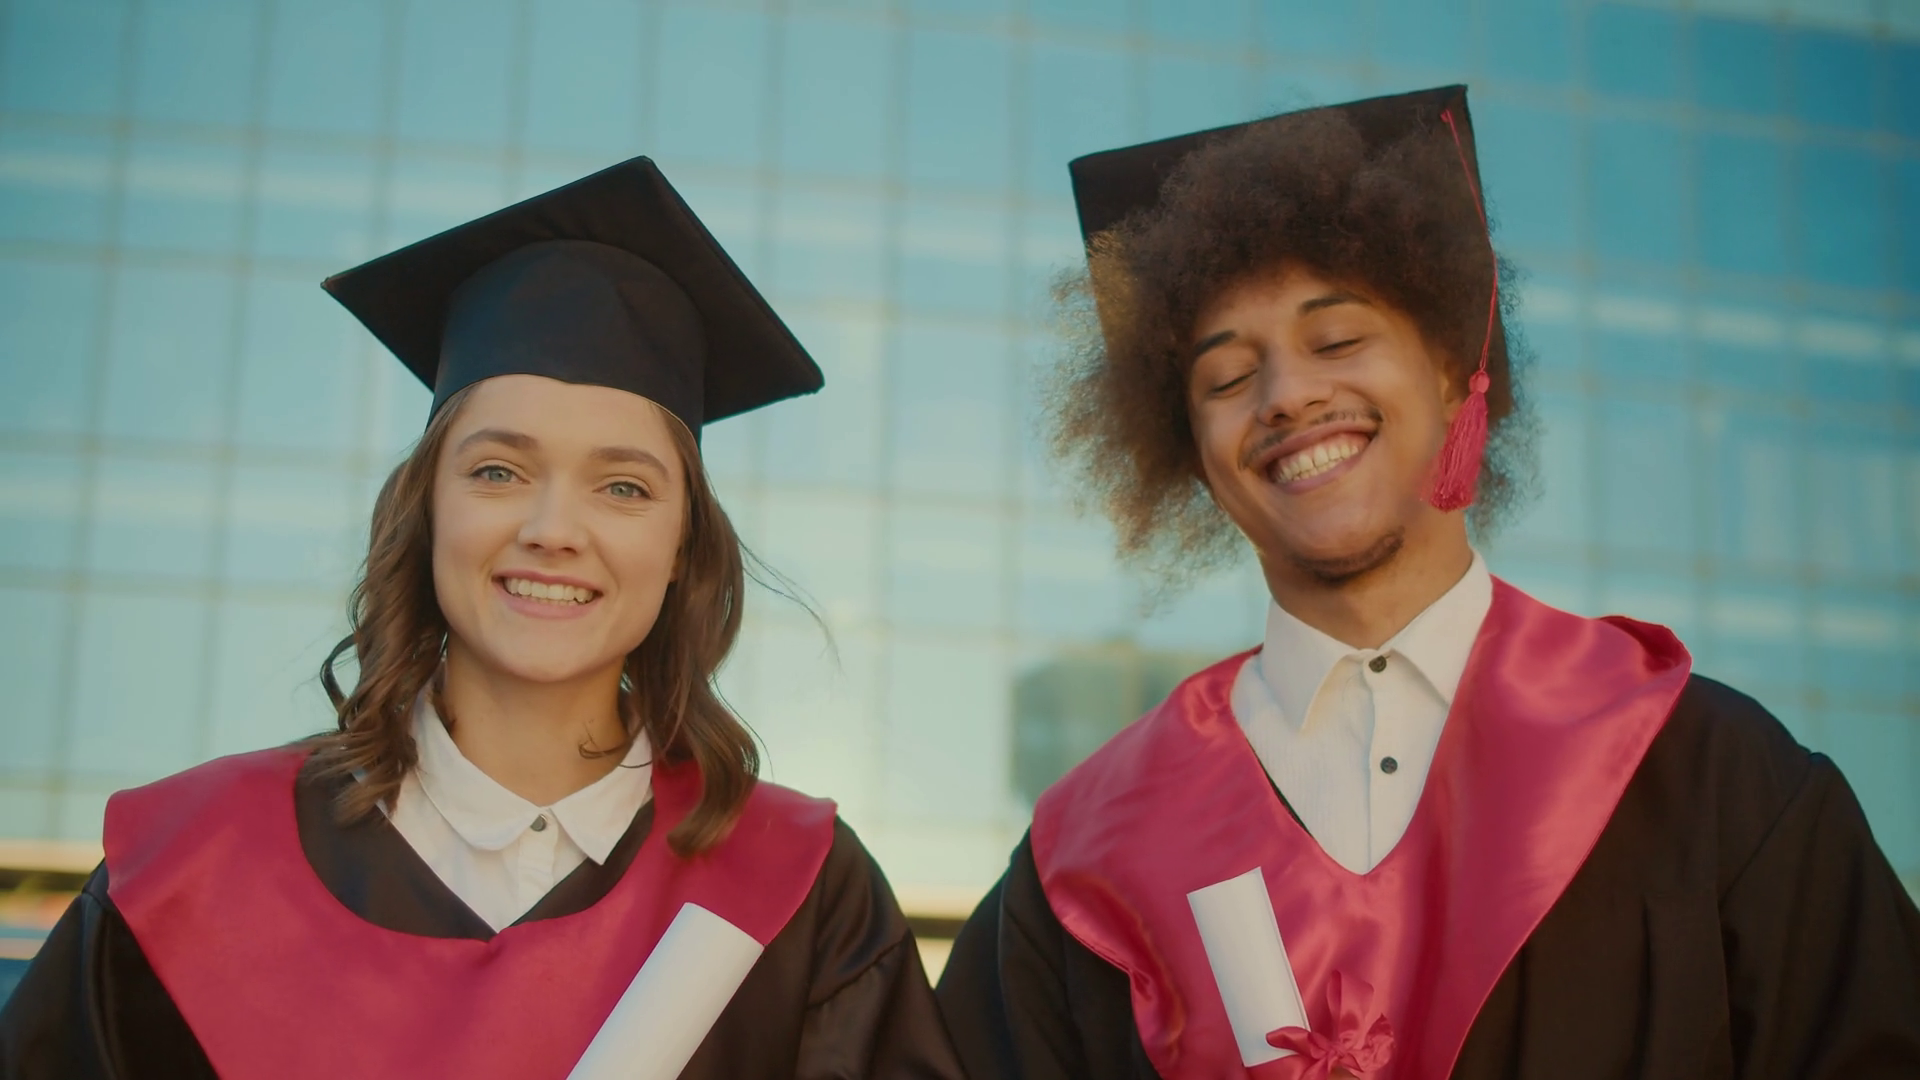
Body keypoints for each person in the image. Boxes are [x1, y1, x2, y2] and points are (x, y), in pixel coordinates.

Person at [936, 86, 1920, 1079]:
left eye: (1338, 340)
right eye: (1228, 378)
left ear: (1456, 369)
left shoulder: (1707, 771)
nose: (1289, 397)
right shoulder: (1089, 860)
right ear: (1193, 454)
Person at [0, 159, 965, 1080]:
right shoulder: (192, 868)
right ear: (427, 511)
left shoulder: (799, 895)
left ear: (681, 550)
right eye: (498, 471)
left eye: (624, 487)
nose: (553, 531)